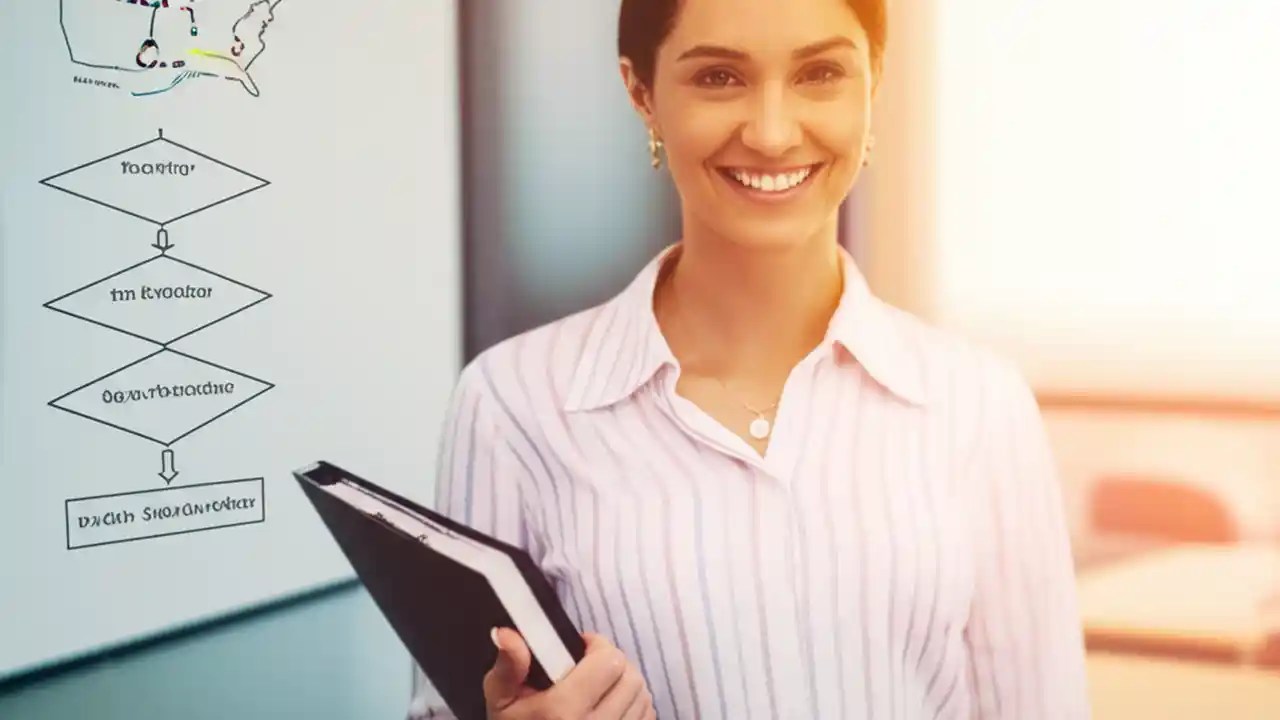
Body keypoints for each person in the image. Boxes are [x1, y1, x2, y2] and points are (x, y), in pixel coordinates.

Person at [409, 0, 1091, 717]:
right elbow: (447, 705)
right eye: (719, 78)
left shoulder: (979, 404)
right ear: (642, 94)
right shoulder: (514, 405)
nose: (771, 133)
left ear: (875, 83)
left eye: (821, 72)